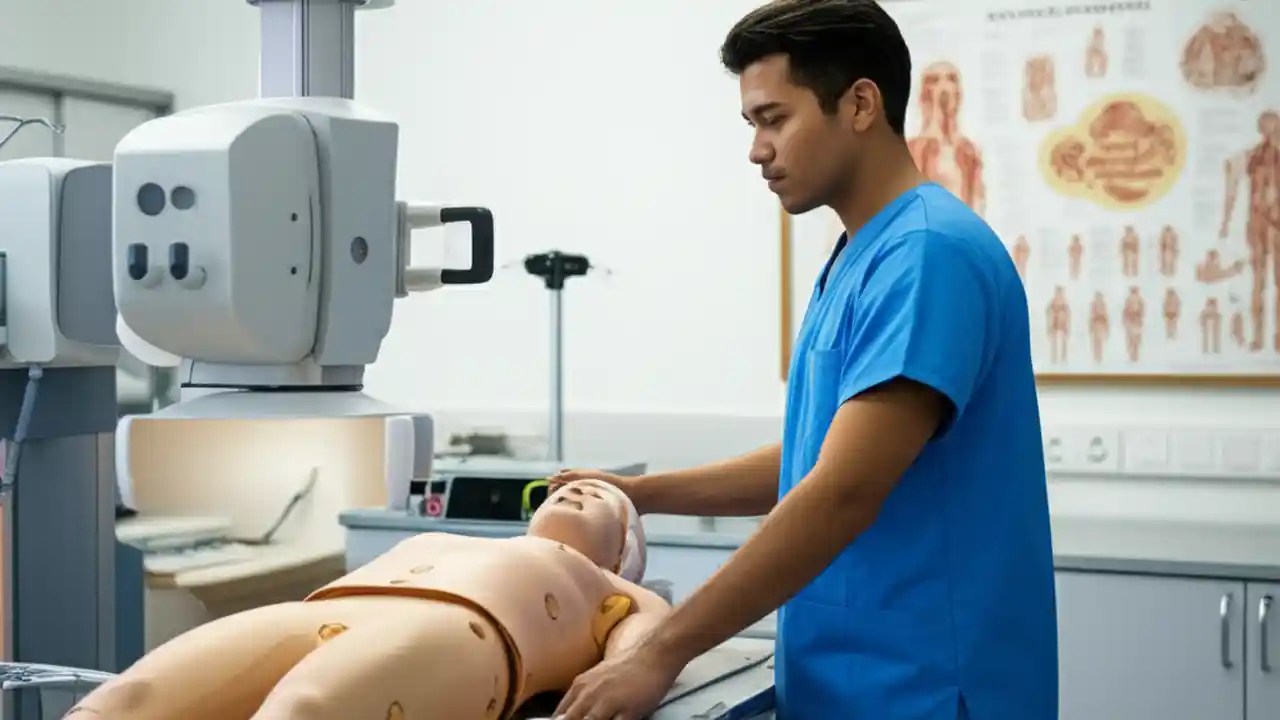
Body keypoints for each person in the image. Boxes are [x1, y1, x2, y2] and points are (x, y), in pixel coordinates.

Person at [549, 2, 1058, 719]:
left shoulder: (927, 255)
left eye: (773, 118)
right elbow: (812, 460)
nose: (757, 149)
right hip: (849, 684)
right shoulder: (862, 254)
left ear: (859, 104)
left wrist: (660, 652)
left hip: (925, 689)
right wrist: (640, 491)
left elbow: (842, 491)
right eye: (752, 124)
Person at [64, 479, 668, 720]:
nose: (579, 493)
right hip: (324, 611)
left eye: (600, 500)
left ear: (621, 552)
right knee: (126, 700)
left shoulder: (611, 588)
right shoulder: (453, 537)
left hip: (455, 631)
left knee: (306, 710)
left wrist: (621, 679)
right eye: (573, 488)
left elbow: (648, 650)